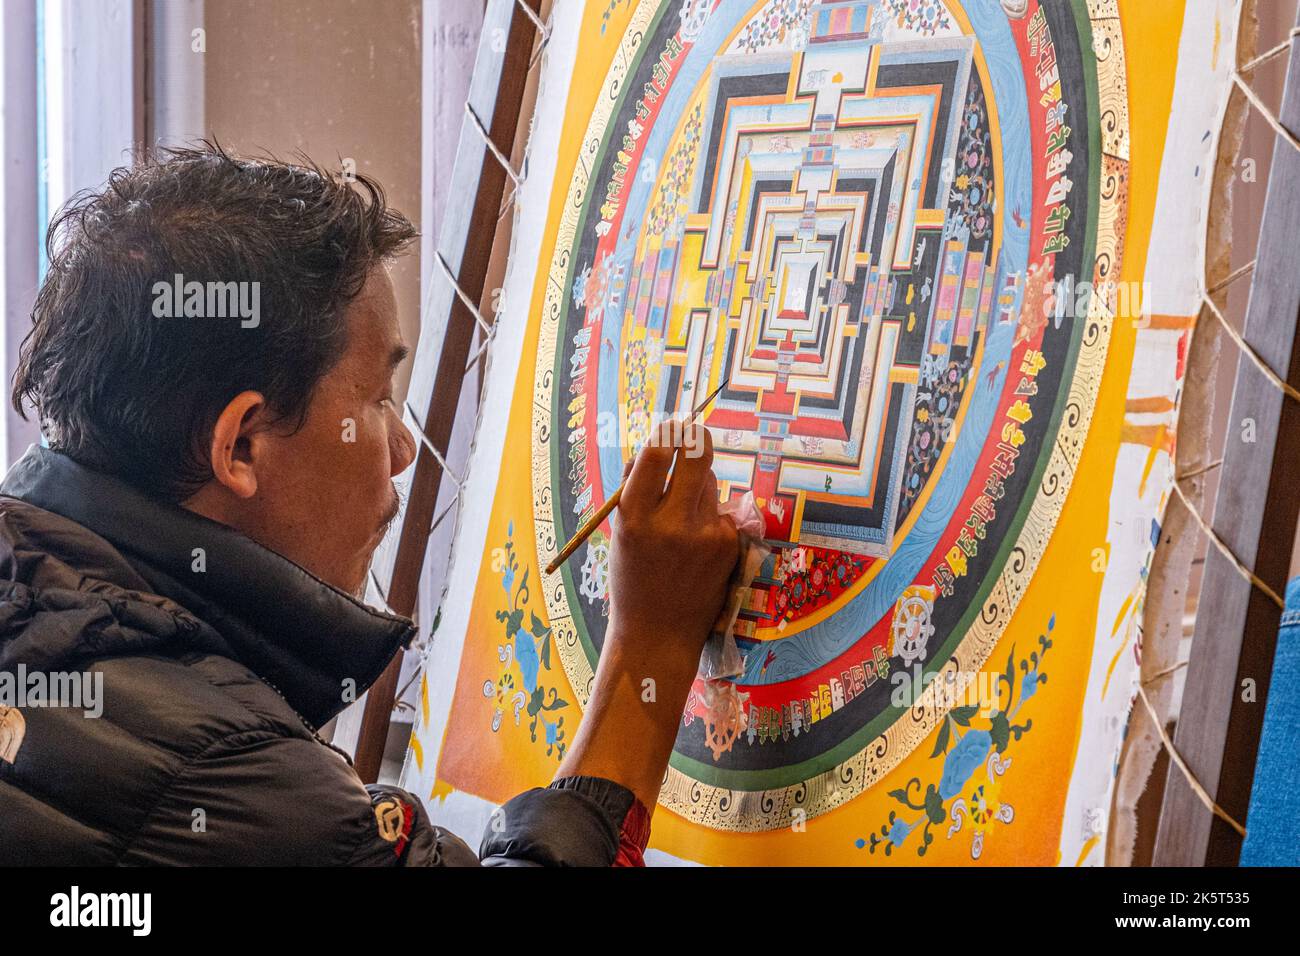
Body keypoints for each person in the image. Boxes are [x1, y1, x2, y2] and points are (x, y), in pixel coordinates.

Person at [0, 144, 738, 866]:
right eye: (378, 399)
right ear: (242, 448)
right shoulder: (233, 778)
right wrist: (653, 646)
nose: (404, 448)